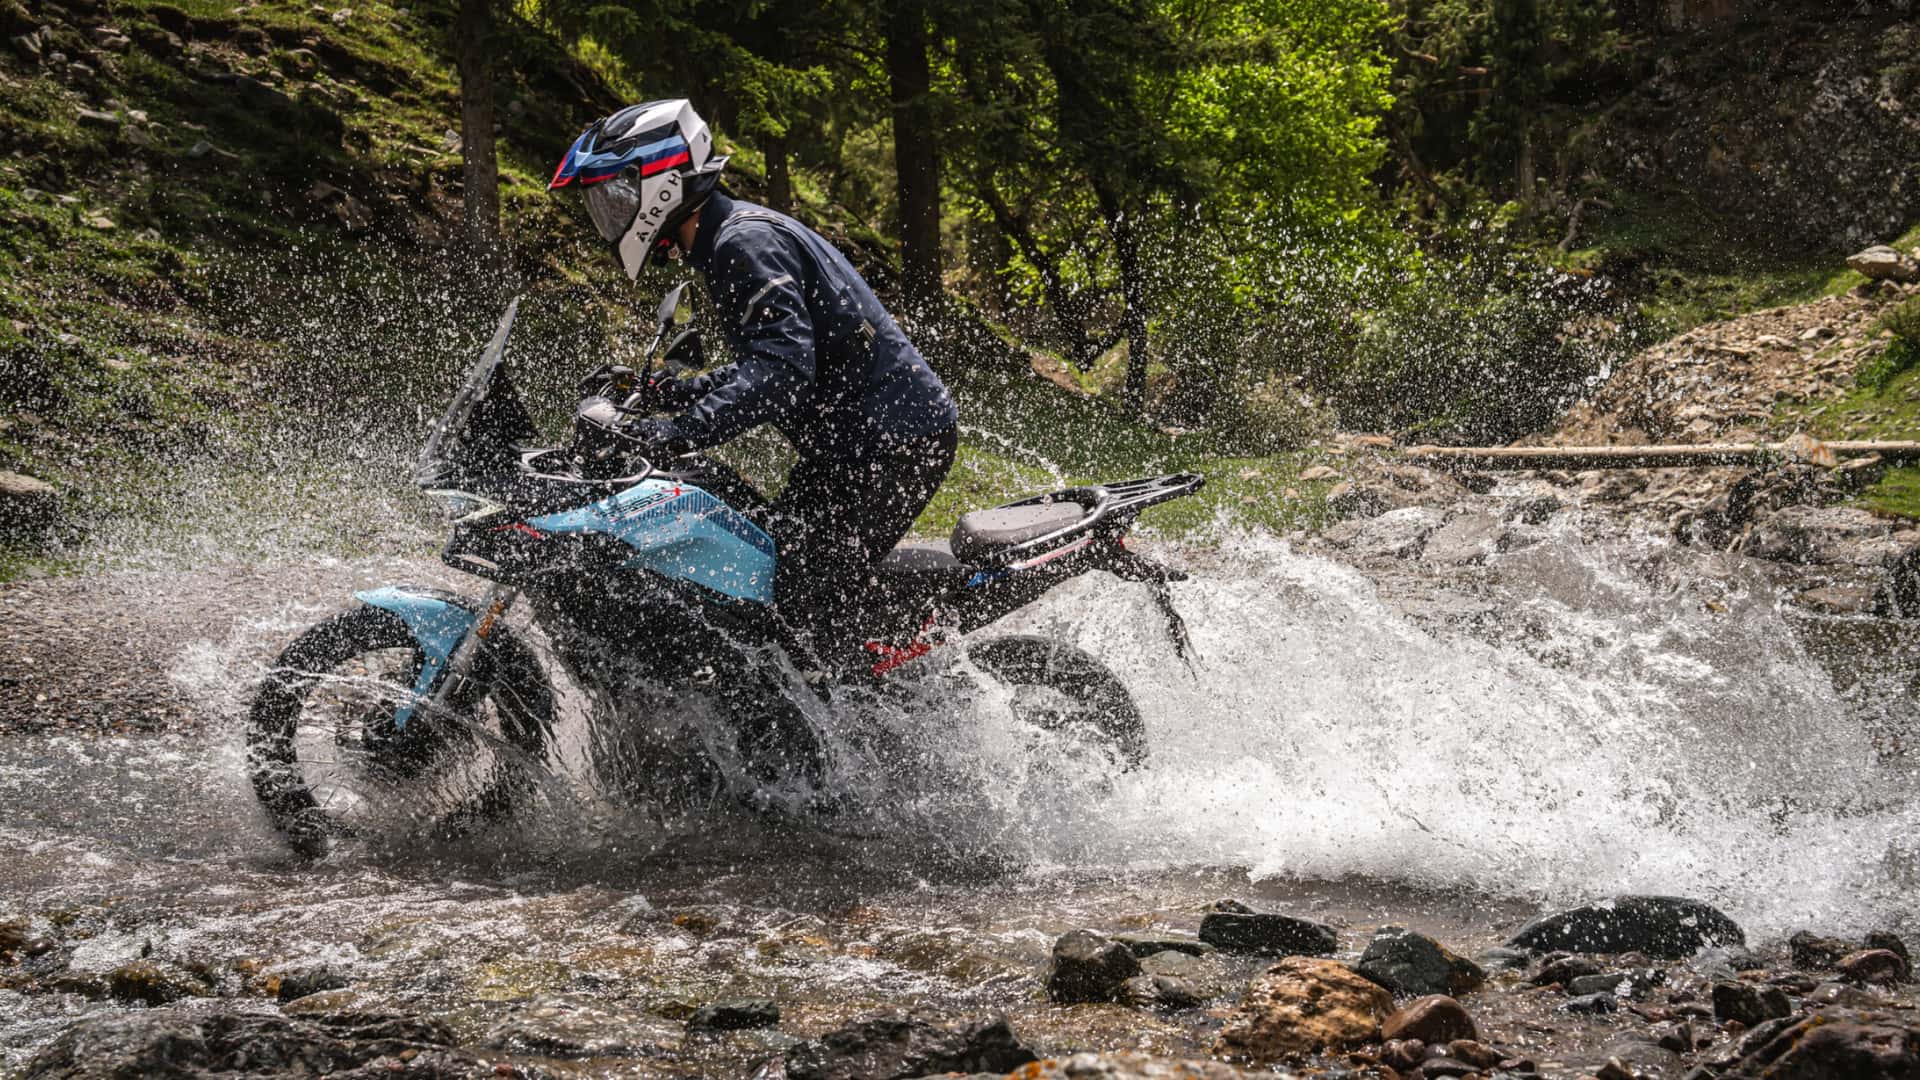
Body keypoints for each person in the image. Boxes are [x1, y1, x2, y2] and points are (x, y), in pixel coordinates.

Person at [549, 99, 959, 647]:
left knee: (803, 597)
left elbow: (783, 371)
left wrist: (680, 430)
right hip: (856, 443)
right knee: (765, 555)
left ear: (659, 183)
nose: (609, 213)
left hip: (895, 441)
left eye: (614, 195)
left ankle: (855, 721)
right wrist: (668, 393)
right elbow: (773, 362)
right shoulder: (724, 240)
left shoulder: (743, 242)